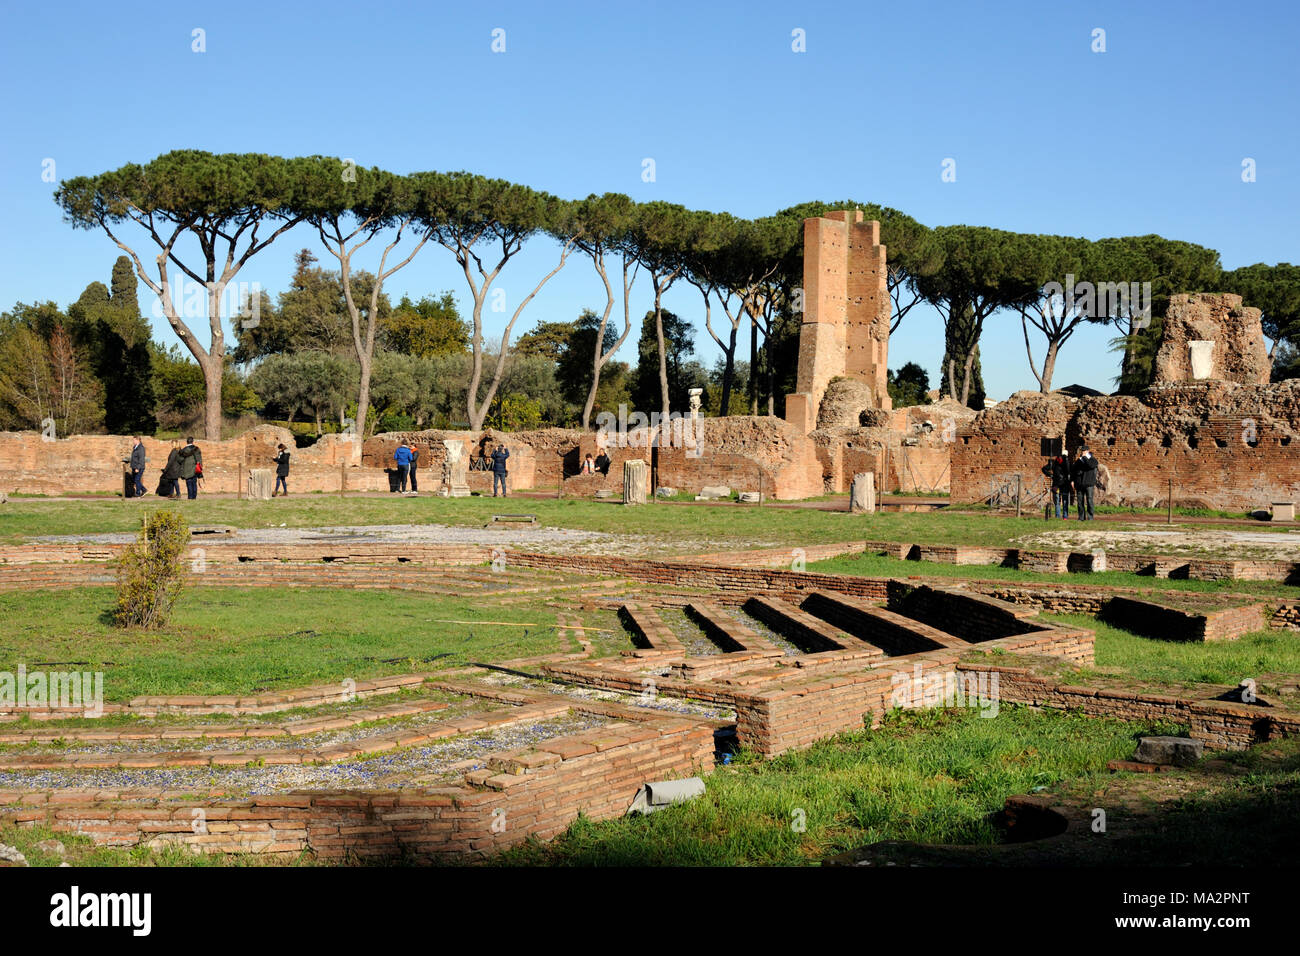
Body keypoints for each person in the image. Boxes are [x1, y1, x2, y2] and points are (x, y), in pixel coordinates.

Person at [1072, 447, 1099, 521]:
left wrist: (1085, 458)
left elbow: (1090, 466)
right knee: (1080, 501)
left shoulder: (1093, 460)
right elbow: (1073, 470)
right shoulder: (1079, 461)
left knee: (1089, 500)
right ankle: (1081, 517)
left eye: (1084, 451)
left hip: (1089, 483)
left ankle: (1090, 517)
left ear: (1087, 451)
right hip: (1079, 484)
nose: (1082, 452)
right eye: (1082, 451)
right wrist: (1072, 480)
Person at [1040, 454, 1070, 519]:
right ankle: (1057, 516)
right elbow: (1044, 469)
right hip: (1056, 485)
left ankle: (1065, 516)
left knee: (1065, 500)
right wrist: (1050, 475)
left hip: (1064, 484)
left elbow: (1069, 471)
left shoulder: (1066, 462)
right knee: (1057, 501)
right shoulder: (1054, 463)